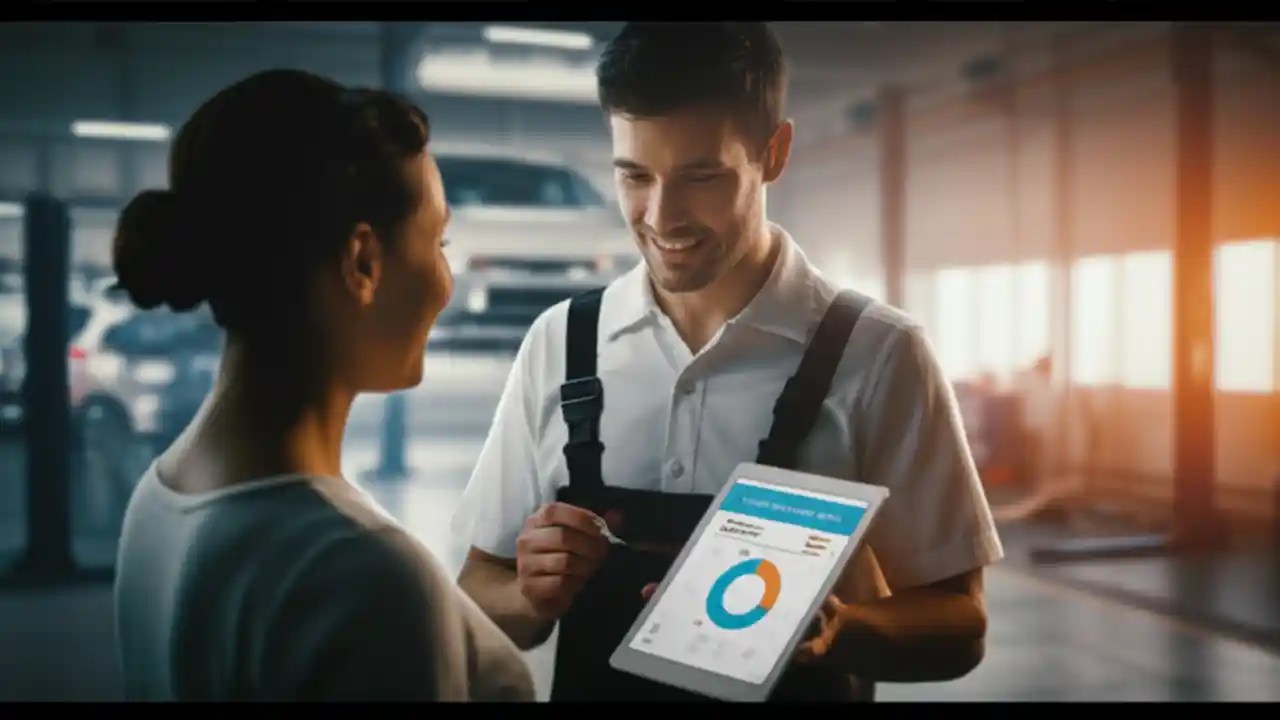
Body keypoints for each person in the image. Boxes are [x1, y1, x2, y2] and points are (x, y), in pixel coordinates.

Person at [452, 23, 1004, 703]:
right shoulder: (562, 342)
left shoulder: (880, 354)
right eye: (634, 176)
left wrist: (845, 628)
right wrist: (530, 596)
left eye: (701, 176)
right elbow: (479, 588)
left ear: (774, 153)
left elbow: (960, 623)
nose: (662, 217)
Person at [111, 69, 534, 702]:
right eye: (438, 241)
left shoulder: (160, 497)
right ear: (363, 262)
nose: (446, 281)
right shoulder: (366, 573)